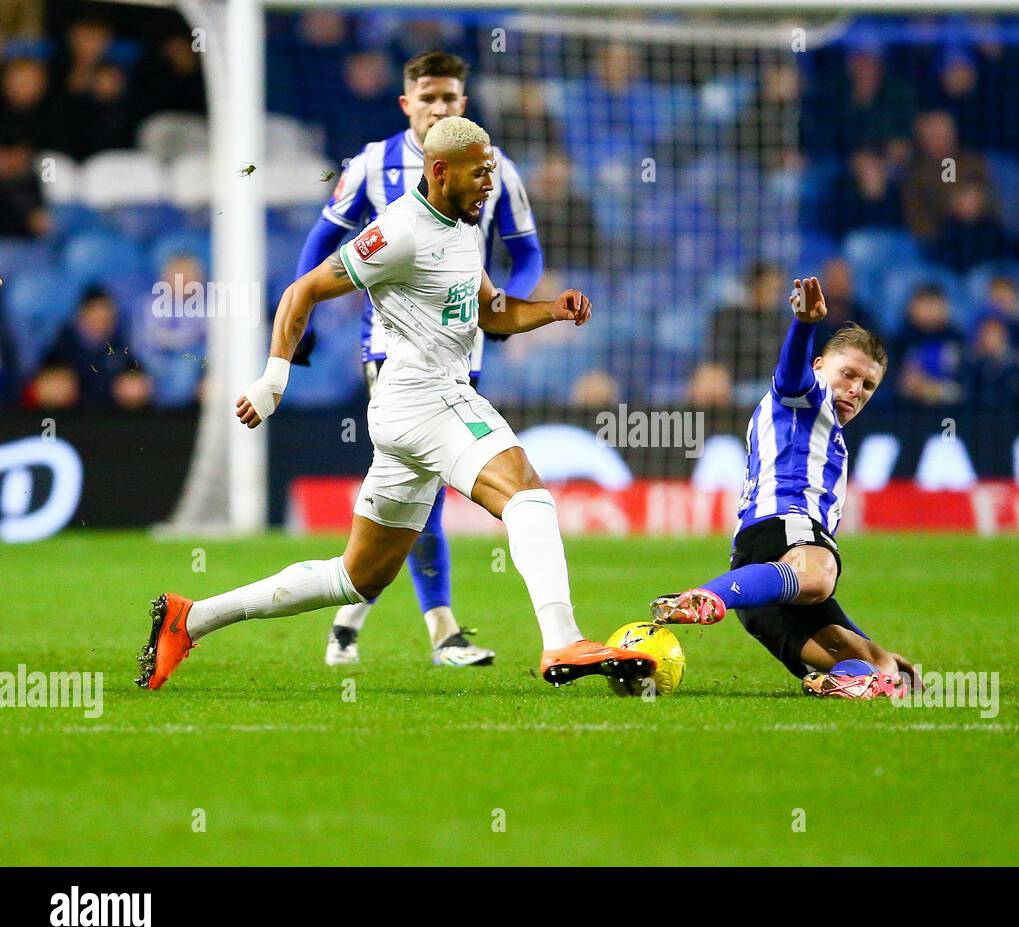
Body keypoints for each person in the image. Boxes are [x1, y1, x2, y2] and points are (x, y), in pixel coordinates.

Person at [135, 117, 655, 692]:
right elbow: (301, 291)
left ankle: (191, 619)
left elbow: (491, 311)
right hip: (427, 399)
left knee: (355, 577)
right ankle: (562, 640)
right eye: (481, 172)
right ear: (440, 171)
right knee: (527, 495)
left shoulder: (462, 226)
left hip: (409, 414)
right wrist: (272, 380)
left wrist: (551, 309)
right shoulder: (400, 231)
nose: (490, 182)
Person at [295, 50, 544, 668]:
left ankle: (351, 615)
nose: (439, 106)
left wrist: (508, 307)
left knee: (415, 488)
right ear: (407, 103)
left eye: (450, 98)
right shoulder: (373, 164)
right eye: (428, 97)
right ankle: (443, 631)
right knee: (425, 485)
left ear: (465, 103)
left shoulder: (494, 168)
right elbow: (326, 236)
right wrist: (300, 315)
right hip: (394, 347)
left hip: (466, 343)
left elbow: (525, 249)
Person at [650, 277, 916, 700]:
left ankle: (845, 681)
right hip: (784, 532)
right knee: (820, 574)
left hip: (760, 586)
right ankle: (704, 598)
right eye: (847, 375)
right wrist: (804, 325)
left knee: (886, 669)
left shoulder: (830, 435)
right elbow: (791, 373)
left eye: (867, 386)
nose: (855, 390)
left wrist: (873, 649)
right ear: (818, 368)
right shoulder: (804, 400)